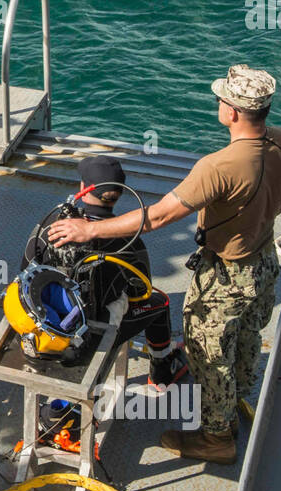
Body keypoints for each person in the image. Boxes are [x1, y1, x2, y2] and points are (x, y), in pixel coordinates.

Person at [48, 65, 281, 464]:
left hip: (225, 275)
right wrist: (269, 211)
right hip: (261, 264)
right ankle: (236, 400)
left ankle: (216, 439)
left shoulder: (219, 166)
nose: (218, 103)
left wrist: (89, 232)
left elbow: (156, 217)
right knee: (245, 336)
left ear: (233, 113)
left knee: (209, 352)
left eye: (222, 99)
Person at [23, 155, 184, 388]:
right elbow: (141, 290)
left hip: (47, 322)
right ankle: (162, 369)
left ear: (82, 188)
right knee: (159, 302)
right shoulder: (129, 240)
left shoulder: (50, 226)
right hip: (99, 328)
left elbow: (26, 268)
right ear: (118, 195)